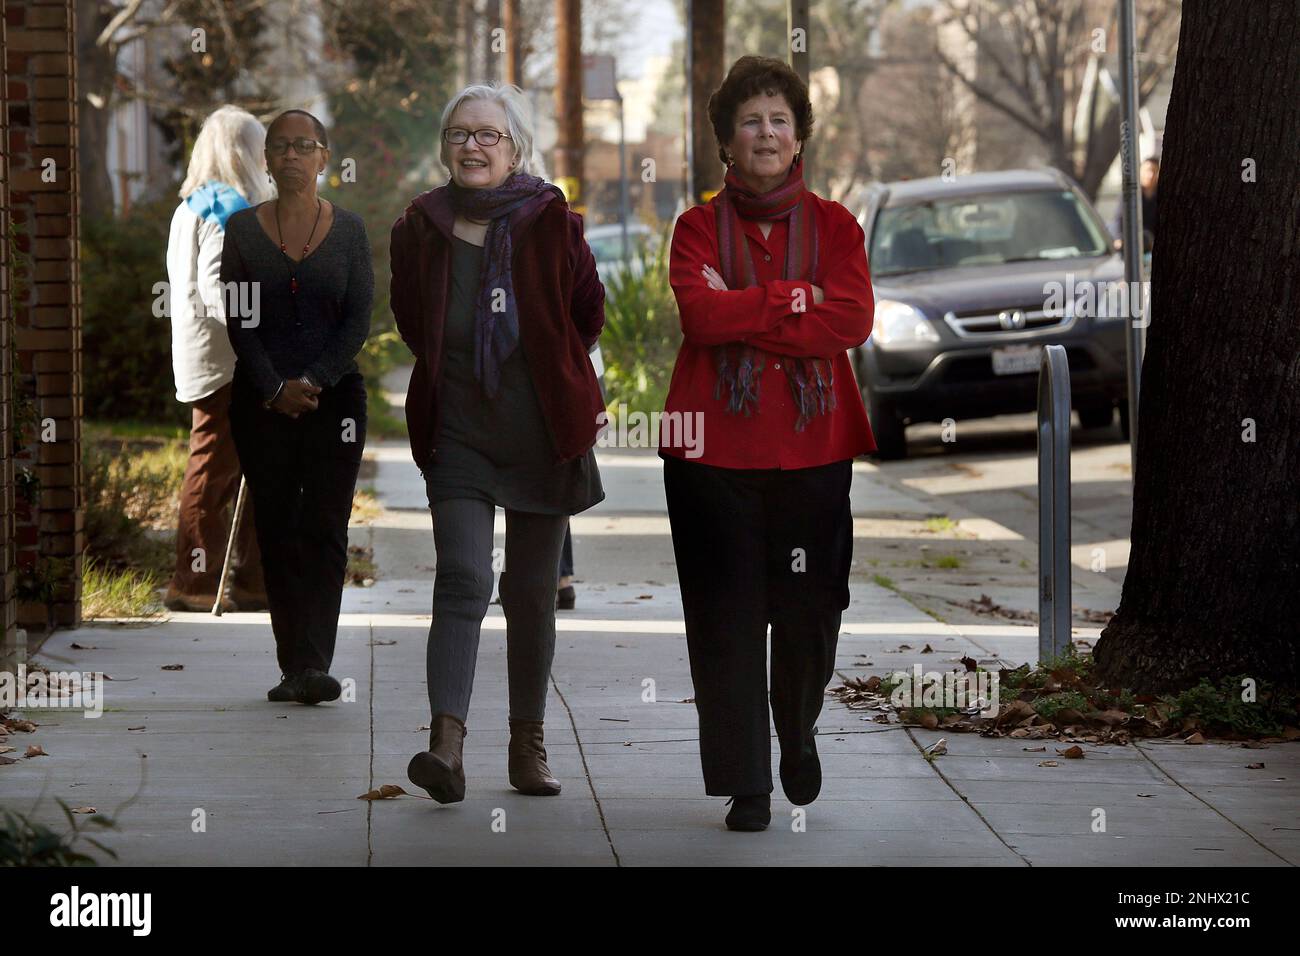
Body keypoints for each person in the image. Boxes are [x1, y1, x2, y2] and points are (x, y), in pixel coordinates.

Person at [659, 56, 876, 831]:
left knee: (812, 607)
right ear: (727, 140)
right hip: (711, 456)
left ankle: (798, 726)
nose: (766, 131)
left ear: (799, 137)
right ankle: (746, 782)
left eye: (779, 119)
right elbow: (701, 321)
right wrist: (794, 299)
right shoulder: (693, 228)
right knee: (725, 617)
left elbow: (850, 322)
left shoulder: (837, 225)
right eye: (751, 119)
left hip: (815, 451)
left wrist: (746, 305)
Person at [390, 83, 606, 805]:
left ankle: (528, 745)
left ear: (516, 147)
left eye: (487, 134)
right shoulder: (421, 225)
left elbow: (586, 315)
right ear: (444, 147)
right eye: (459, 134)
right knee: (462, 577)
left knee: (531, 592)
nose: (471, 146)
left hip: (542, 429)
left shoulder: (552, 221)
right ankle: (445, 747)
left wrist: (538, 366)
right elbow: (414, 324)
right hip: (460, 429)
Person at [222, 109, 373, 705]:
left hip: (335, 402)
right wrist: (274, 387)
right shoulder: (241, 231)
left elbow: (357, 318)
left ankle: (317, 660)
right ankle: (295, 666)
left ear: (323, 157)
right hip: (261, 403)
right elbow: (239, 318)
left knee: (327, 526)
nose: (290, 155)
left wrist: (312, 379)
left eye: (302, 145)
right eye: (279, 146)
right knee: (279, 526)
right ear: (265, 159)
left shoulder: (351, 231)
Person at [163, 106, 272, 613]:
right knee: (214, 468)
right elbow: (217, 287)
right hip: (228, 361)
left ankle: (252, 583)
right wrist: (261, 328)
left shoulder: (196, 203)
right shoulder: (225, 208)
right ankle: (194, 584)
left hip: (212, 356)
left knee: (253, 464)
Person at [1110, 156, 1159, 252]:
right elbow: (1119, 218)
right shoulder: (1131, 193)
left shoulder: (1161, 194)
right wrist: (1118, 238)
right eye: (1147, 171)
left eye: (1154, 171)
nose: (1150, 175)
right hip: (1132, 242)